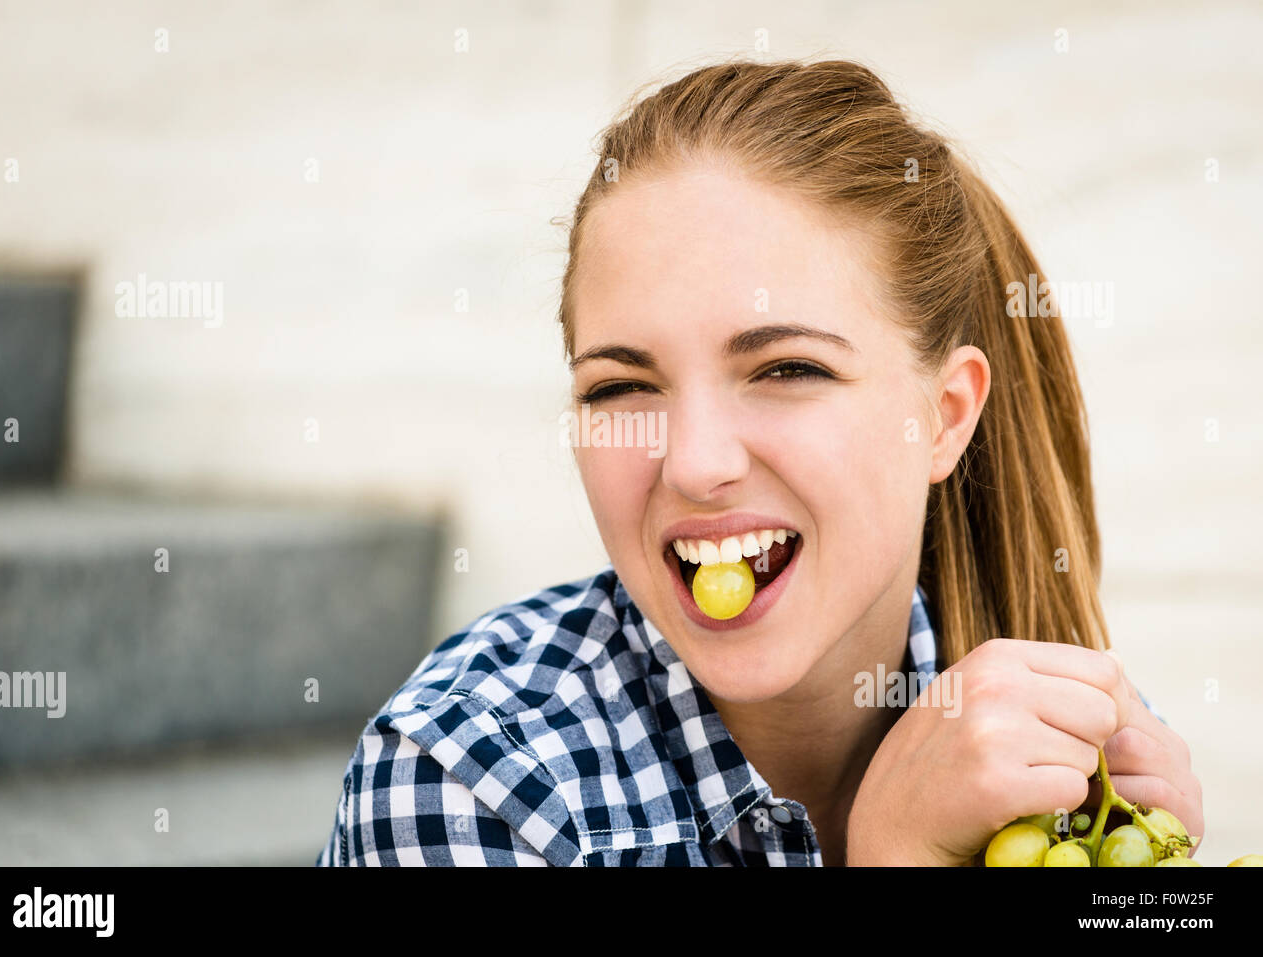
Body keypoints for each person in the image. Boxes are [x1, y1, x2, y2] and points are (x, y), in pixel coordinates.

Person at [316, 57, 1201, 866]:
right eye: (623, 387)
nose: (696, 466)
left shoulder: (1084, 766)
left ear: (944, 416)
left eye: (786, 369)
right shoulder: (469, 775)